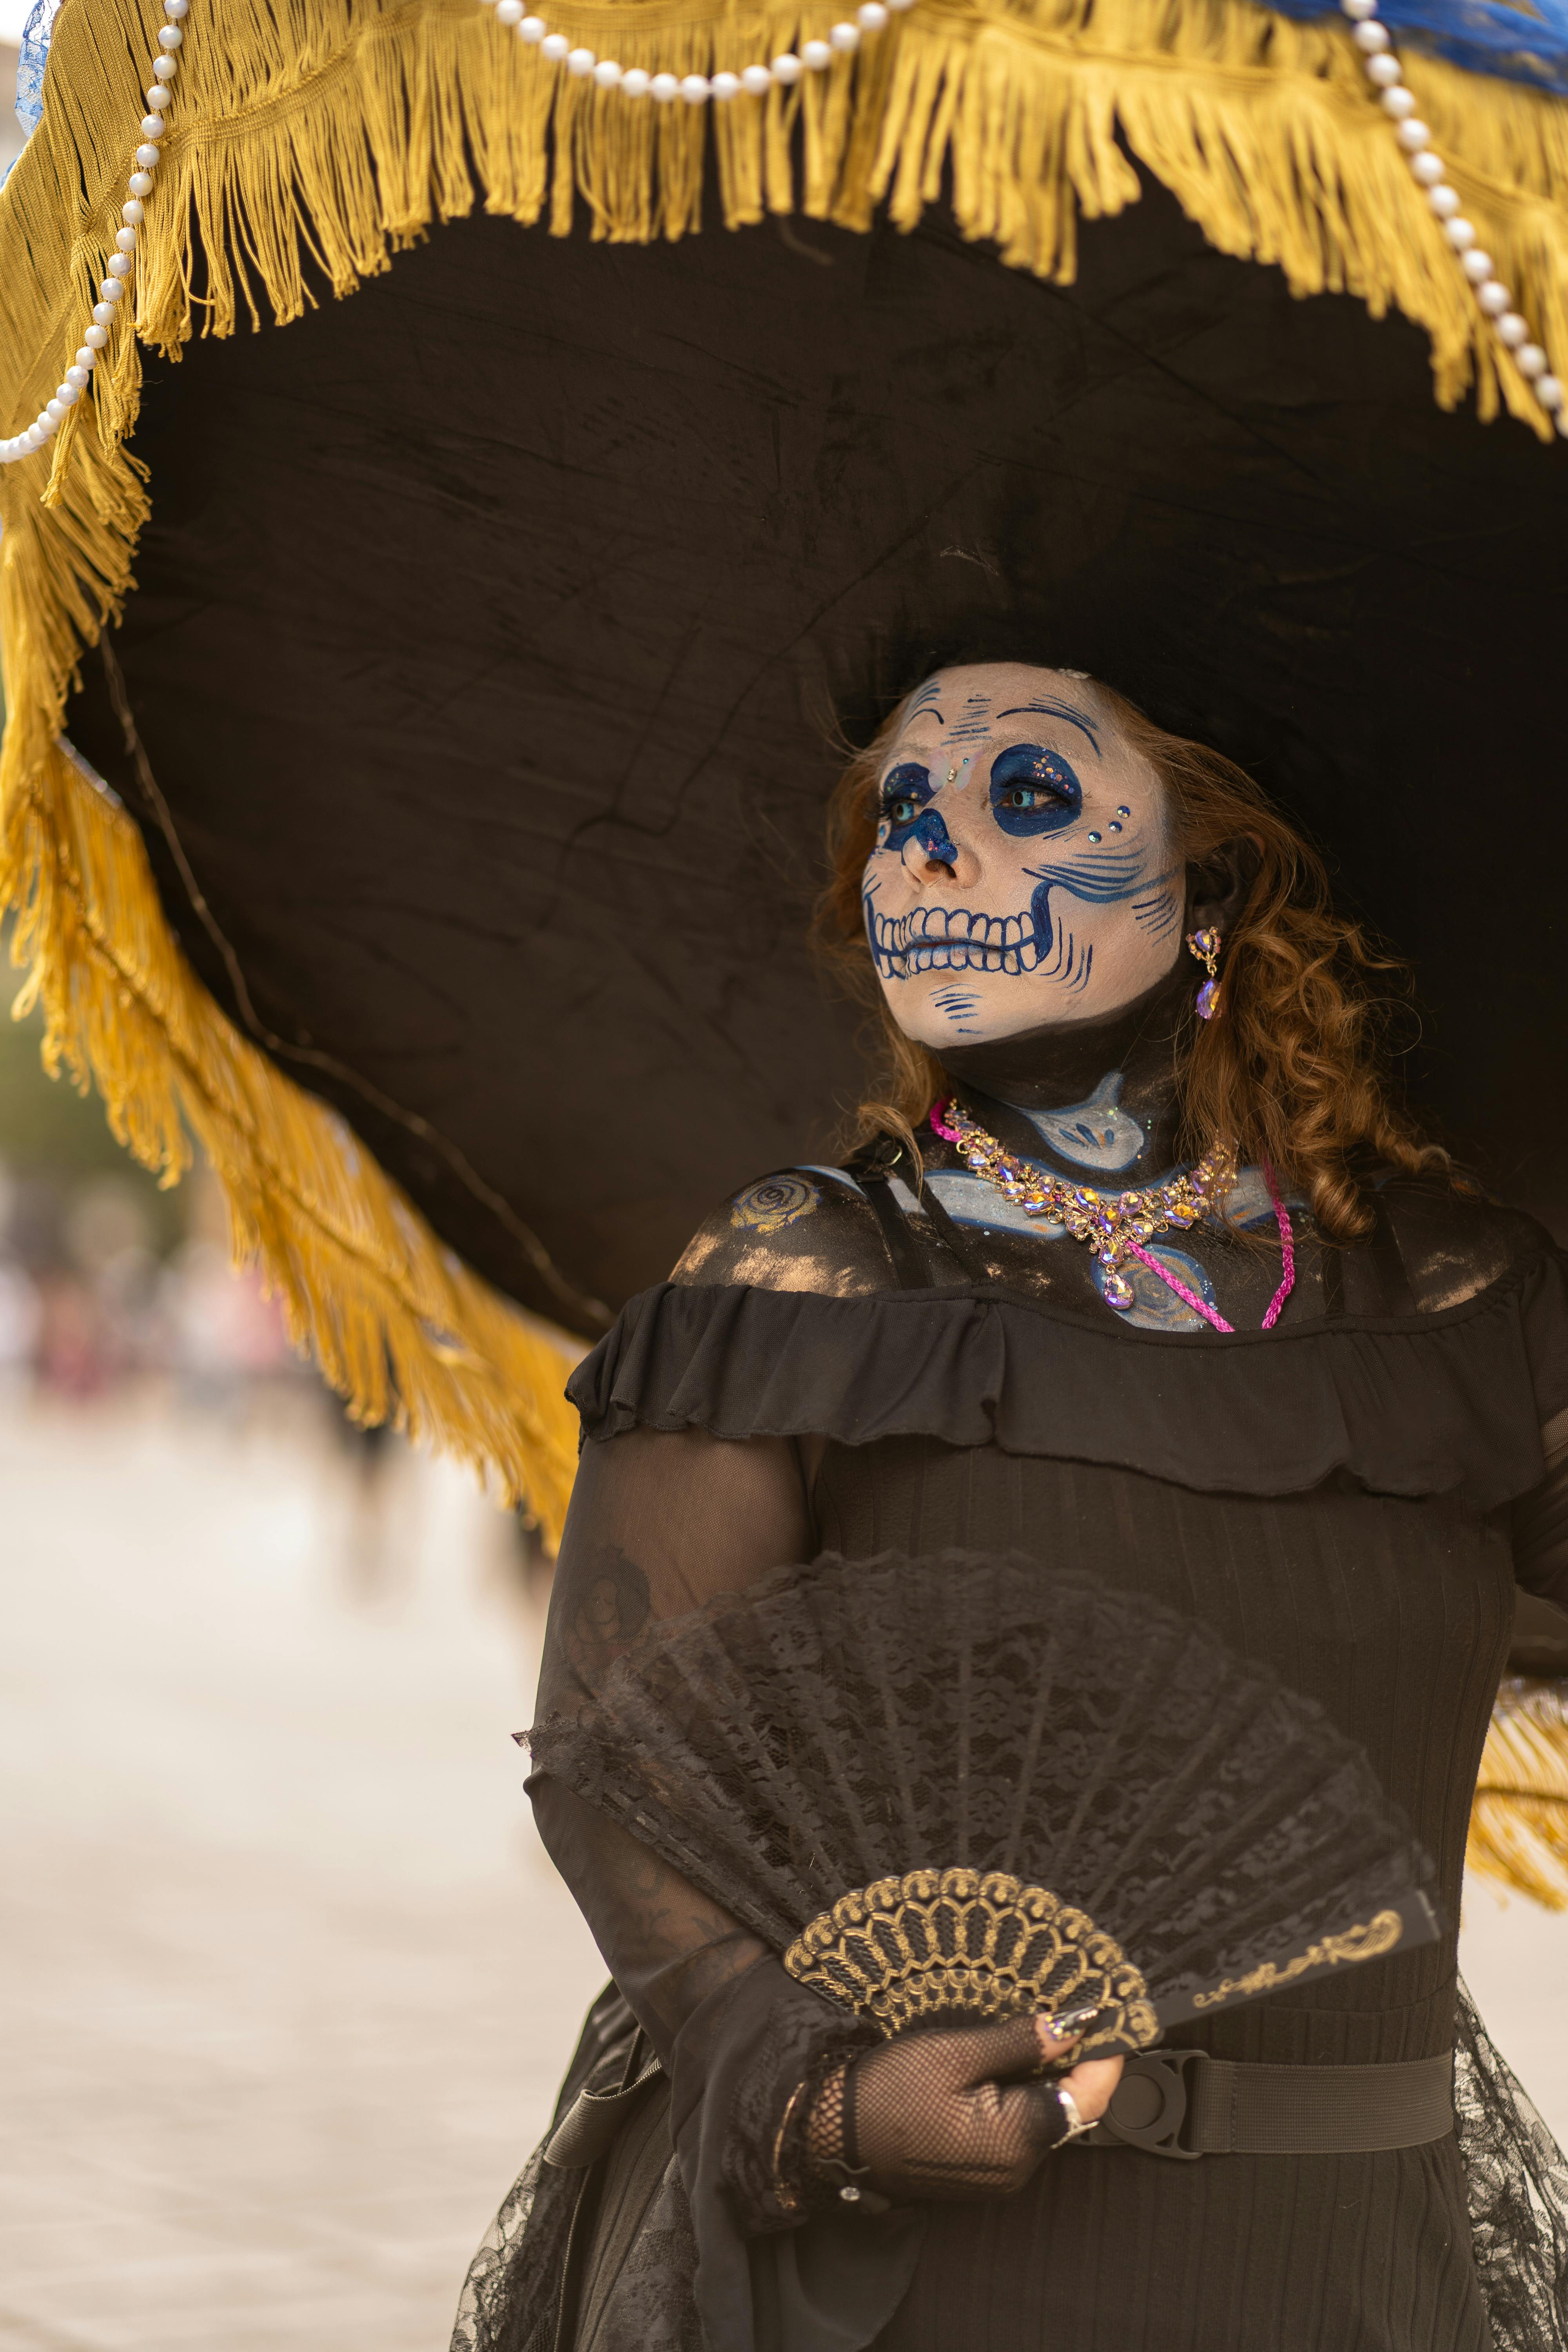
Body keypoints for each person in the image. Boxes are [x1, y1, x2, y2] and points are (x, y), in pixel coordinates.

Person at [454, 661, 1568, 2352]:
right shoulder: (805, 1276)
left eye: (1022, 798)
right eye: (901, 817)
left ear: (1213, 879)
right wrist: (817, 2104)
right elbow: (615, 1757)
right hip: (950, 2272)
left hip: (1352, 2263)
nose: (925, 858)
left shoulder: (1465, 1295)